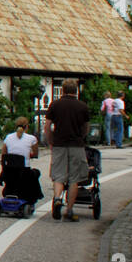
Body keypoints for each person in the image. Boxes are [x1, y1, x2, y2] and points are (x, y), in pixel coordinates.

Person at [45, 79, 90, 222]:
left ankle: (57, 199)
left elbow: (47, 126)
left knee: (58, 176)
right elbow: (86, 127)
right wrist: (81, 137)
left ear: (63, 90)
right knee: (74, 179)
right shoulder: (82, 106)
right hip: (76, 145)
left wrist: (50, 141)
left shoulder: (55, 105)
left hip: (59, 144)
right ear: (76, 90)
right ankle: (69, 210)